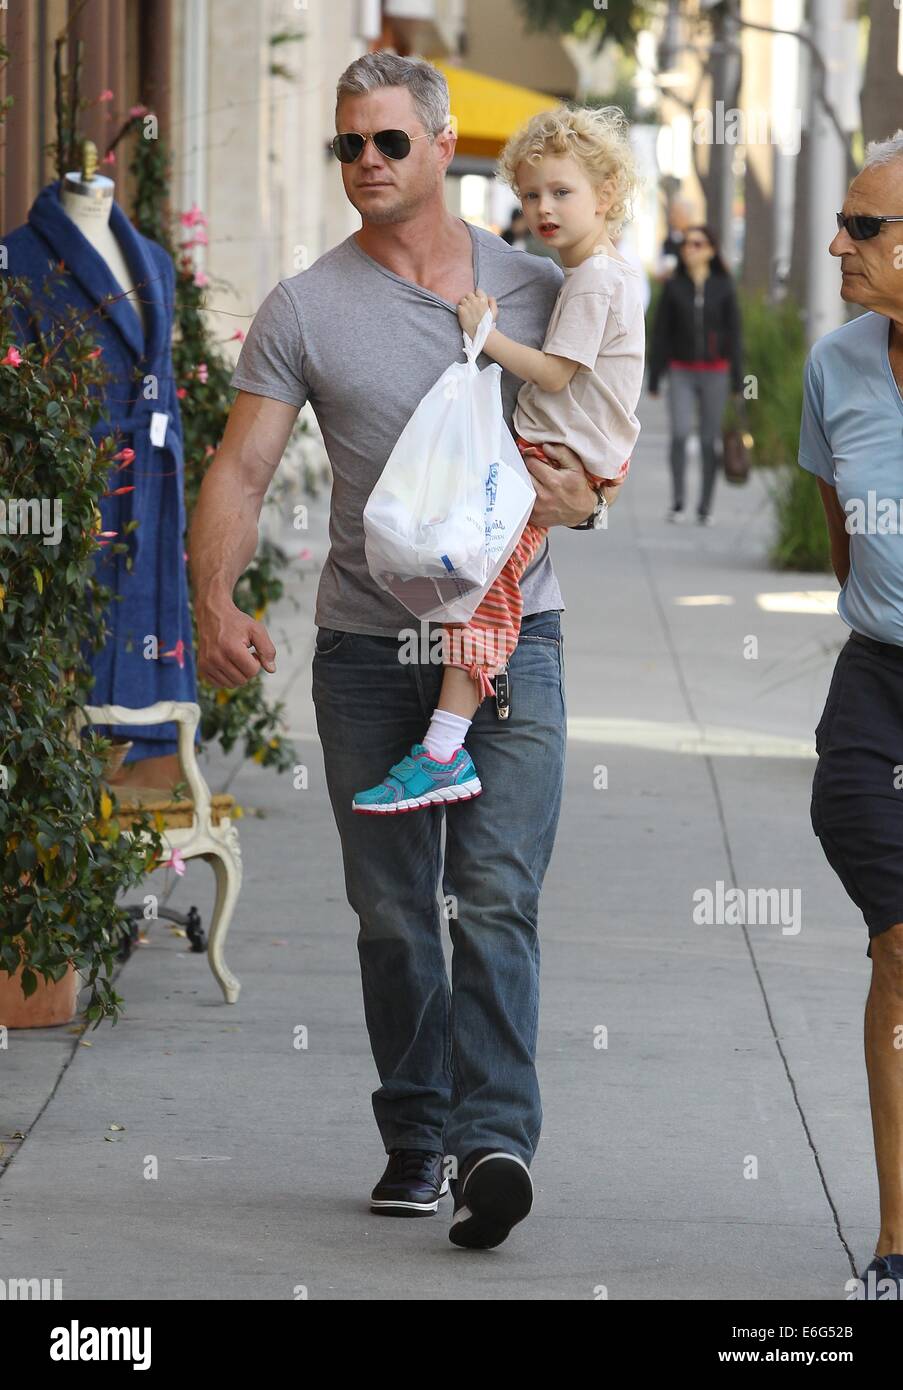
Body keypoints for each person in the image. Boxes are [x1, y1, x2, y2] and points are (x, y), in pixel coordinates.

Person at [189, 51, 605, 1251]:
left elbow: (598, 434)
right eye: (347, 147)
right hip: (371, 647)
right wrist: (214, 597)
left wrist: (589, 500)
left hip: (514, 639)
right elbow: (241, 466)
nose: (365, 163)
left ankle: (493, 1147)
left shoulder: (537, 286)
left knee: (495, 895)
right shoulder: (306, 306)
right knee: (391, 912)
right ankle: (418, 1132)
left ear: (440, 143)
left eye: (387, 142)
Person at [352, 105, 644, 815]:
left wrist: (481, 331)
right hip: (557, 453)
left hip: (554, 456)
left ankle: (443, 751)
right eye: (530, 194)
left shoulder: (595, 280)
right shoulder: (591, 274)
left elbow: (552, 374)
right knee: (469, 575)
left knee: (480, 591)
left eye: (561, 192)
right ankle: (443, 745)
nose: (542, 208)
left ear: (605, 194)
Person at [800, 129, 903, 1299]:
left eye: (865, 227)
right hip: (879, 676)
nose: (841, 243)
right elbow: (843, 548)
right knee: (898, 940)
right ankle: (896, 1241)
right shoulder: (836, 366)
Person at [648, 223, 743, 525]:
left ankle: (705, 505)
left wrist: (740, 382)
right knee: (678, 434)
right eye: (687, 244)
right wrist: (654, 377)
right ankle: (678, 502)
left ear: (711, 251)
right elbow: (660, 333)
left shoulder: (724, 286)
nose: (690, 249)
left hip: (715, 372)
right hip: (680, 371)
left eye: (698, 244)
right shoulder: (673, 287)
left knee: (708, 440)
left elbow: (735, 335)